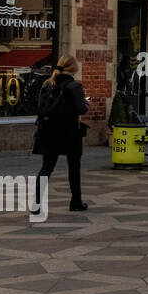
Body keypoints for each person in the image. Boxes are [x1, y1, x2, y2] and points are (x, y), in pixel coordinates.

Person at [32, 55, 90, 213]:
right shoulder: (74, 86)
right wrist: (86, 103)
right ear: (73, 68)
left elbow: (40, 107)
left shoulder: (47, 84)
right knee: (73, 168)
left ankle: (36, 205)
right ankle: (75, 202)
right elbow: (81, 109)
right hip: (69, 132)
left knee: (46, 168)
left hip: (48, 131)